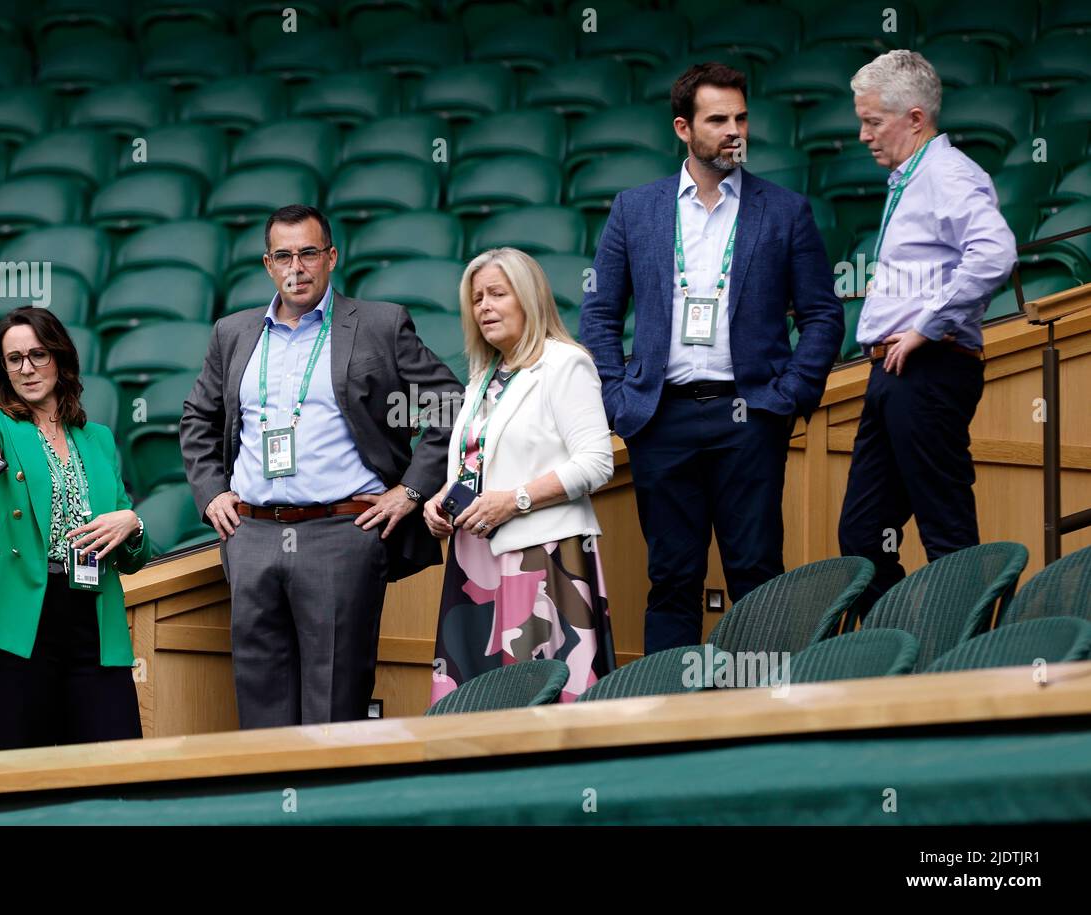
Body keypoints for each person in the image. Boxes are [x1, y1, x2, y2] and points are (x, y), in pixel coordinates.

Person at [579, 63, 844, 654]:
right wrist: (619, 399)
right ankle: (669, 730)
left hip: (749, 416)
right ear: (683, 127)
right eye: (718, 119)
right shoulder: (634, 209)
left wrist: (787, 397)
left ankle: (765, 724)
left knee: (756, 575)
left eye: (741, 117)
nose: (734, 131)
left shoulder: (785, 211)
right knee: (671, 580)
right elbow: (598, 314)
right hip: (660, 418)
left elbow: (824, 316)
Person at [180, 204, 464, 729]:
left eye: (309, 253)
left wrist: (411, 491)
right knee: (260, 700)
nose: (297, 267)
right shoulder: (233, 332)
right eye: (283, 255)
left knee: (335, 702)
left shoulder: (379, 324)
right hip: (252, 534)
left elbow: (449, 401)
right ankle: (273, 807)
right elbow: (199, 414)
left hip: (343, 532)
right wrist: (211, 491)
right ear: (268, 264)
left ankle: (330, 808)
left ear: (331, 257)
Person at [838, 50, 1017, 620]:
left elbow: (996, 253)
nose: (863, 134)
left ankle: (970, 664)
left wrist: (925, 326)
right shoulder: (912, 178)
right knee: (865, 535)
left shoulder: (949, 173)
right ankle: (905, 649)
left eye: (873, 122)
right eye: (862, 120)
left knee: (946, 530)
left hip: (930, 367)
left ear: (915, 118)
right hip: (894, 371)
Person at [0, 306, 151, 752]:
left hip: (90, 614)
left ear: (60, 358)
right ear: (2, 369)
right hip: (12, 615)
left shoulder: (99, 438)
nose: (27, 368)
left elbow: (134, 559)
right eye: (14, 359)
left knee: (118, 760)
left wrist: (133, 524)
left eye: (38, 354)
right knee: (14, 774)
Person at [424, 248, 616, 703]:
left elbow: (596, 462)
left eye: (497, 294)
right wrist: (440, 498)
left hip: (543, 561)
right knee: (480, 702)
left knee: (540, 706)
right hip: (476, 563)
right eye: (476, 299)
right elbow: (480, 460)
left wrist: (515, 500)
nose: (484, 306)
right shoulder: (483, 374)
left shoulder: (565, 363)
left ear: (528, 298)